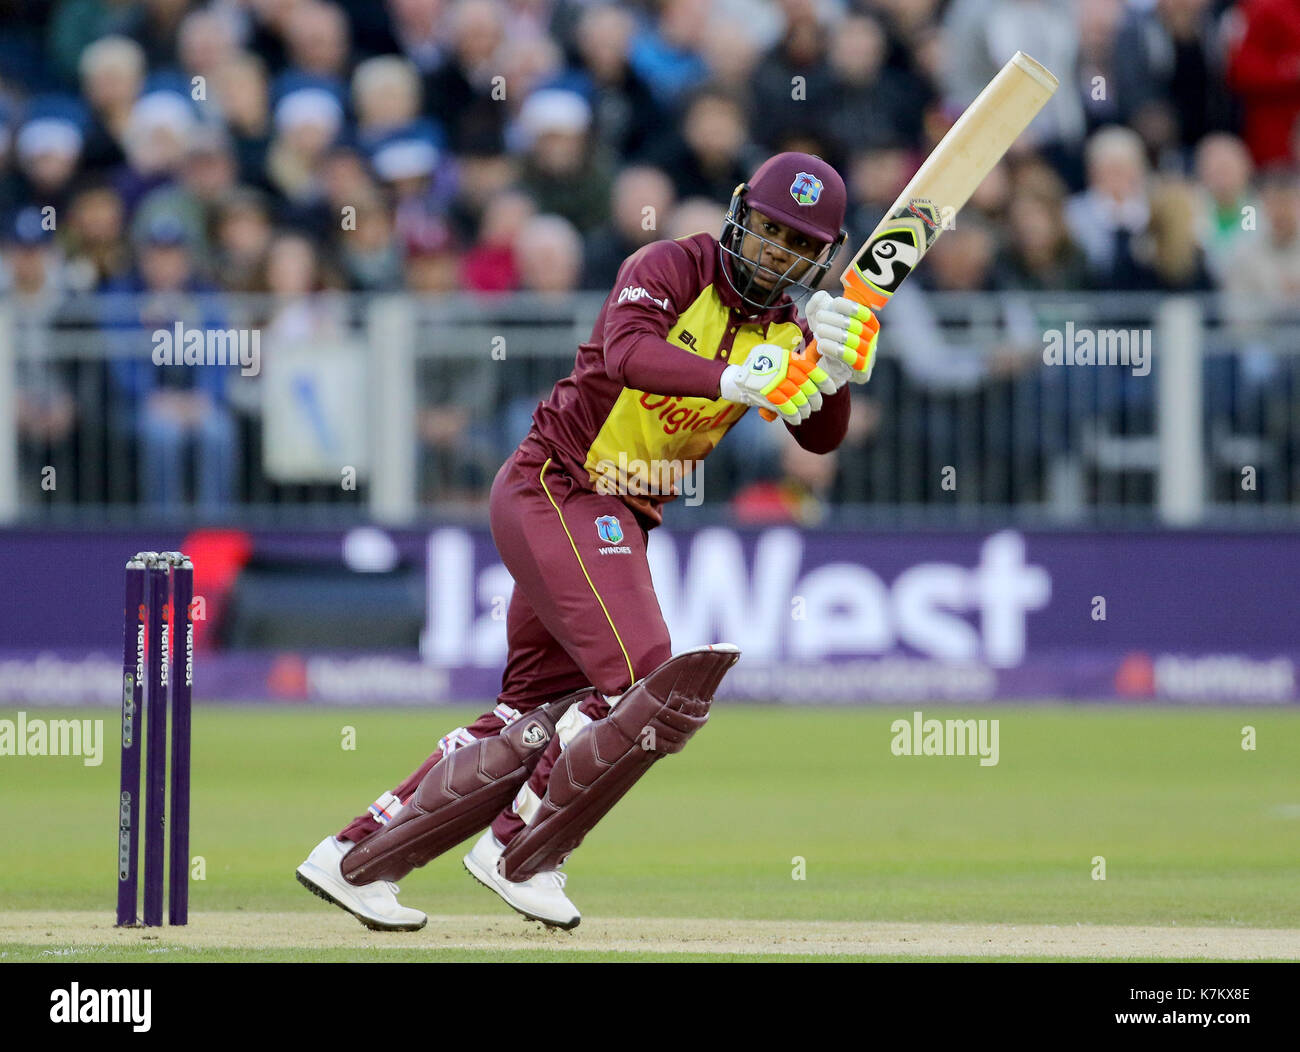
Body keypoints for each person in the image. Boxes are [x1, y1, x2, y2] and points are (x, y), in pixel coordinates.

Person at [296, 152, 881, 930]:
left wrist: (834, 370)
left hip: (622, 514)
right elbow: (625, 350)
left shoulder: (788, 327)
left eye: (798, 244)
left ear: (822, 256)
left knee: (527, 714)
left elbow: (818, 437)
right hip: (559, 484)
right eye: (769, 230)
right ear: (740, 213)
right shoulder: (670, 264)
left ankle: (356, 859)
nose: (776, 253)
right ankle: (519, 851)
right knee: (649, 684)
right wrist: (731, 378)